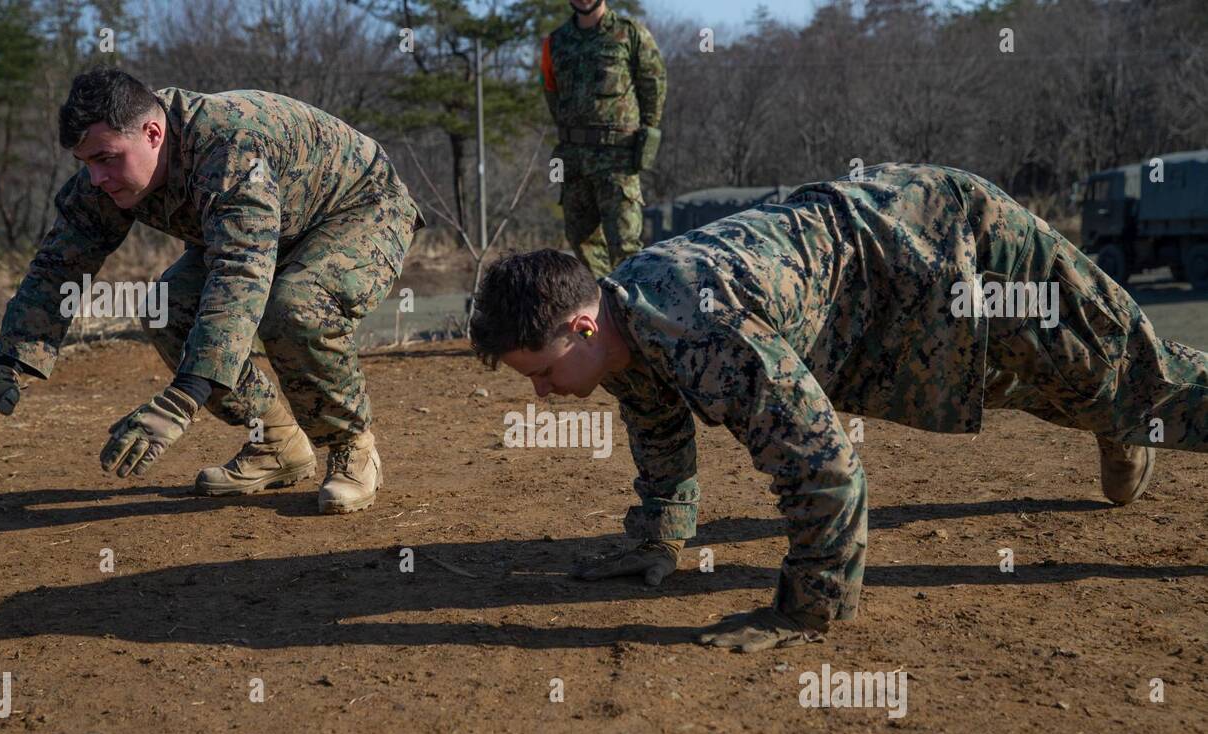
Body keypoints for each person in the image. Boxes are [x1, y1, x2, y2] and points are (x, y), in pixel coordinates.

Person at [468, 163, 1208, 651]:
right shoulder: (621, 323)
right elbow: (656, 417)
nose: (541, 393)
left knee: (1133, 377)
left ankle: (1119, 411)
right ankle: (1108, 412)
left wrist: (805, 607)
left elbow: (825, 465)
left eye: (540, 372)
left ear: (581, 326)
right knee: (1009, 384)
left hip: (961, 239)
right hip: (885, 309)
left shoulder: (700, 326)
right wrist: (658, 536)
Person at [0, 68, 425, 515]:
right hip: (269, 229)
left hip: (357, 209)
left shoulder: (228, 144)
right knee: (166, 308)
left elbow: (240, 273)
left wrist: (184, 395)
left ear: (151, 132)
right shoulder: (105, 175)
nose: (96, 179)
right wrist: (8, 363)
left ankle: (351, 444)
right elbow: (56, 269)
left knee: (294, 308)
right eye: (85, 164)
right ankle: (277, 443)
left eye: (105, 159)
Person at [541, 0, 666, 276]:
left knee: (625, 246)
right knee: (581, 243)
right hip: (575, 160)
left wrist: (647, 133)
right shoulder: (556, 42)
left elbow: (654, 83)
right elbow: (552, 92)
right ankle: (602, 309)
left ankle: (632, 313)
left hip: (617, 159)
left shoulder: (630, 33)